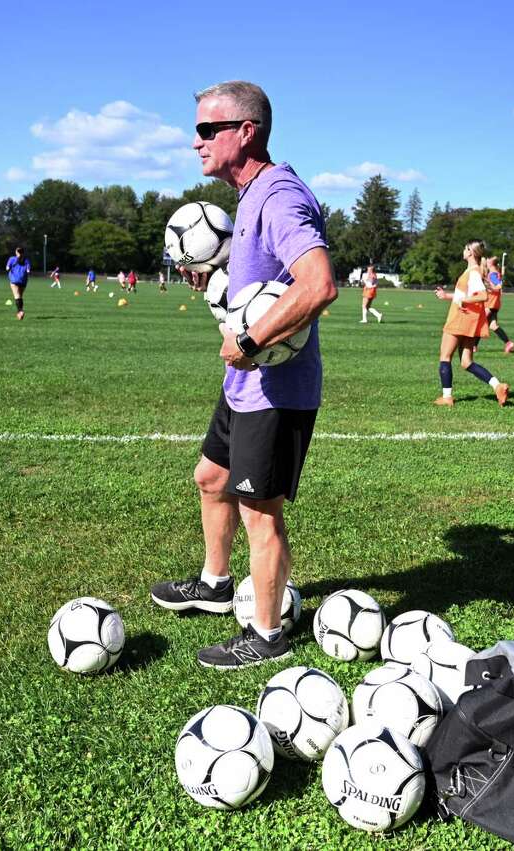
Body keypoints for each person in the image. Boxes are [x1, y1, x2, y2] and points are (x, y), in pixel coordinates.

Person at [150, 80, 337, 669]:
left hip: (276, 389)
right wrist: (217, 284)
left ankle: (267, 633)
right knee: (210, 477)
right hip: (246, 385)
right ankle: (214, 584)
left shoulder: (279, 195)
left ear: (245, 132)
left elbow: (318, 284)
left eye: (208, 130)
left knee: (262, 513)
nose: (196, 142)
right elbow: (261, 287)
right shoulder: (249, 197)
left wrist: (251, 339)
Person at [433, 240, 509, 407]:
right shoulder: (473, 271)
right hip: (470, 320)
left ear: (470, 253)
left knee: (445, 357)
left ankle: (447, 397)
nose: (463, 250)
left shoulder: (473, 272)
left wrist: (464, 301)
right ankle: (498, 386)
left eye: (465, 248)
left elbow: (482, 295)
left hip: (460, 318)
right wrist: (446, 296)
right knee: (466, 362)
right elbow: (464, 294)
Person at [484, 256, 514, 353]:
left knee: (479, 322)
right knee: (493, 325)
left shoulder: (492, 274)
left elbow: (498, 286)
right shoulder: (496, 273)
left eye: (488, 261)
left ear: (491, 263)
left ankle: (473, 346)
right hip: (495, 303)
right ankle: (508, 343)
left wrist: (489, 287)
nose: (486, 263)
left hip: (490, 303)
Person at [5, 247, 30, 319]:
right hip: (23, 280)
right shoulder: (27, 260)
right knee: (20, 296)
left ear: (16, 252)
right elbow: (28, 271)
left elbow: (7, 268)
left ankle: (20, 311)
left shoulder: (12, 259)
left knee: (17, 296)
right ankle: (19, 312)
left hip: (14, 280)